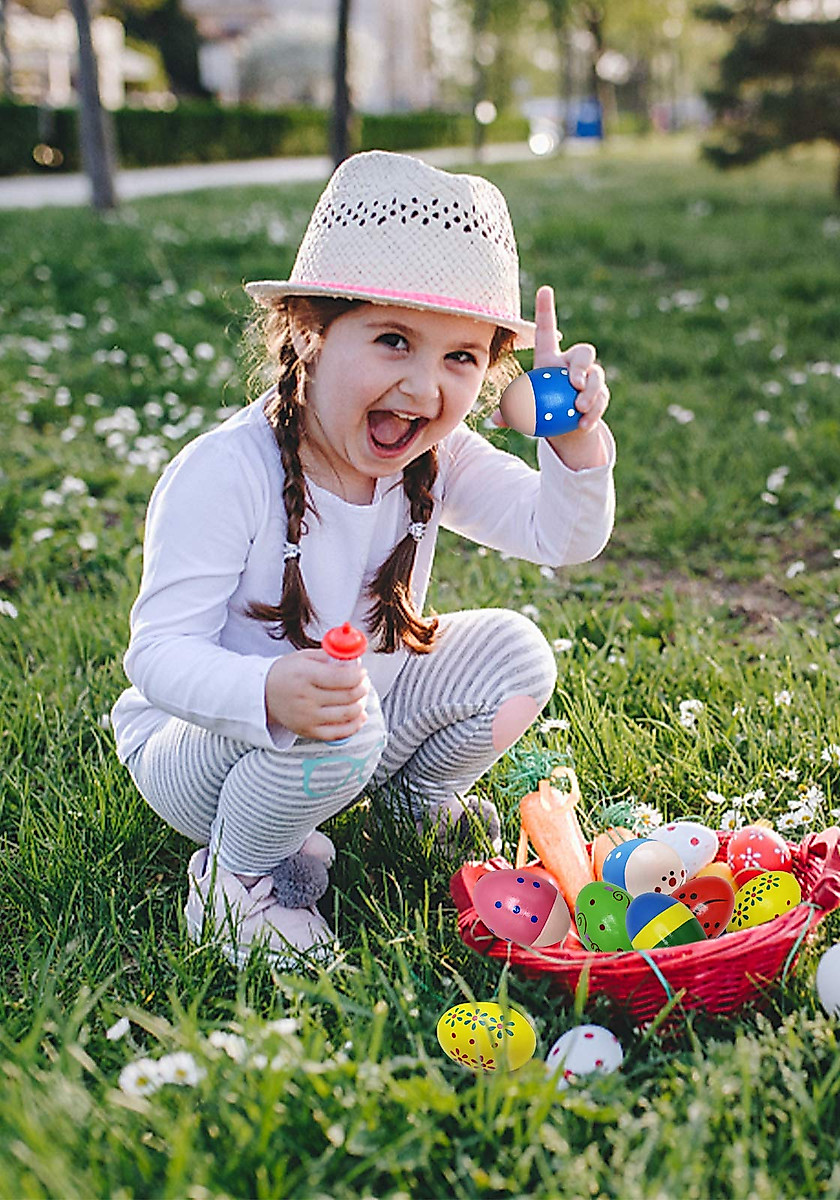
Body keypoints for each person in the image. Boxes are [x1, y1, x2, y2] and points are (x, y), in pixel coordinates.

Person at [110, 151, 616, 967]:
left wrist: (575, 441)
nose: (423, 387)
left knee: (517, 657)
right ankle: (237, 879)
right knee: (345, 716)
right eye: (392, 340)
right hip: (201, 750)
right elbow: (157, 654)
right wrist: (267, 691)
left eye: (461, 357)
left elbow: (560, 537)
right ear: (308, 331)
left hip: (348, 722)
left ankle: (414, 803)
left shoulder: (436, 457)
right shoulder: (225, 473)